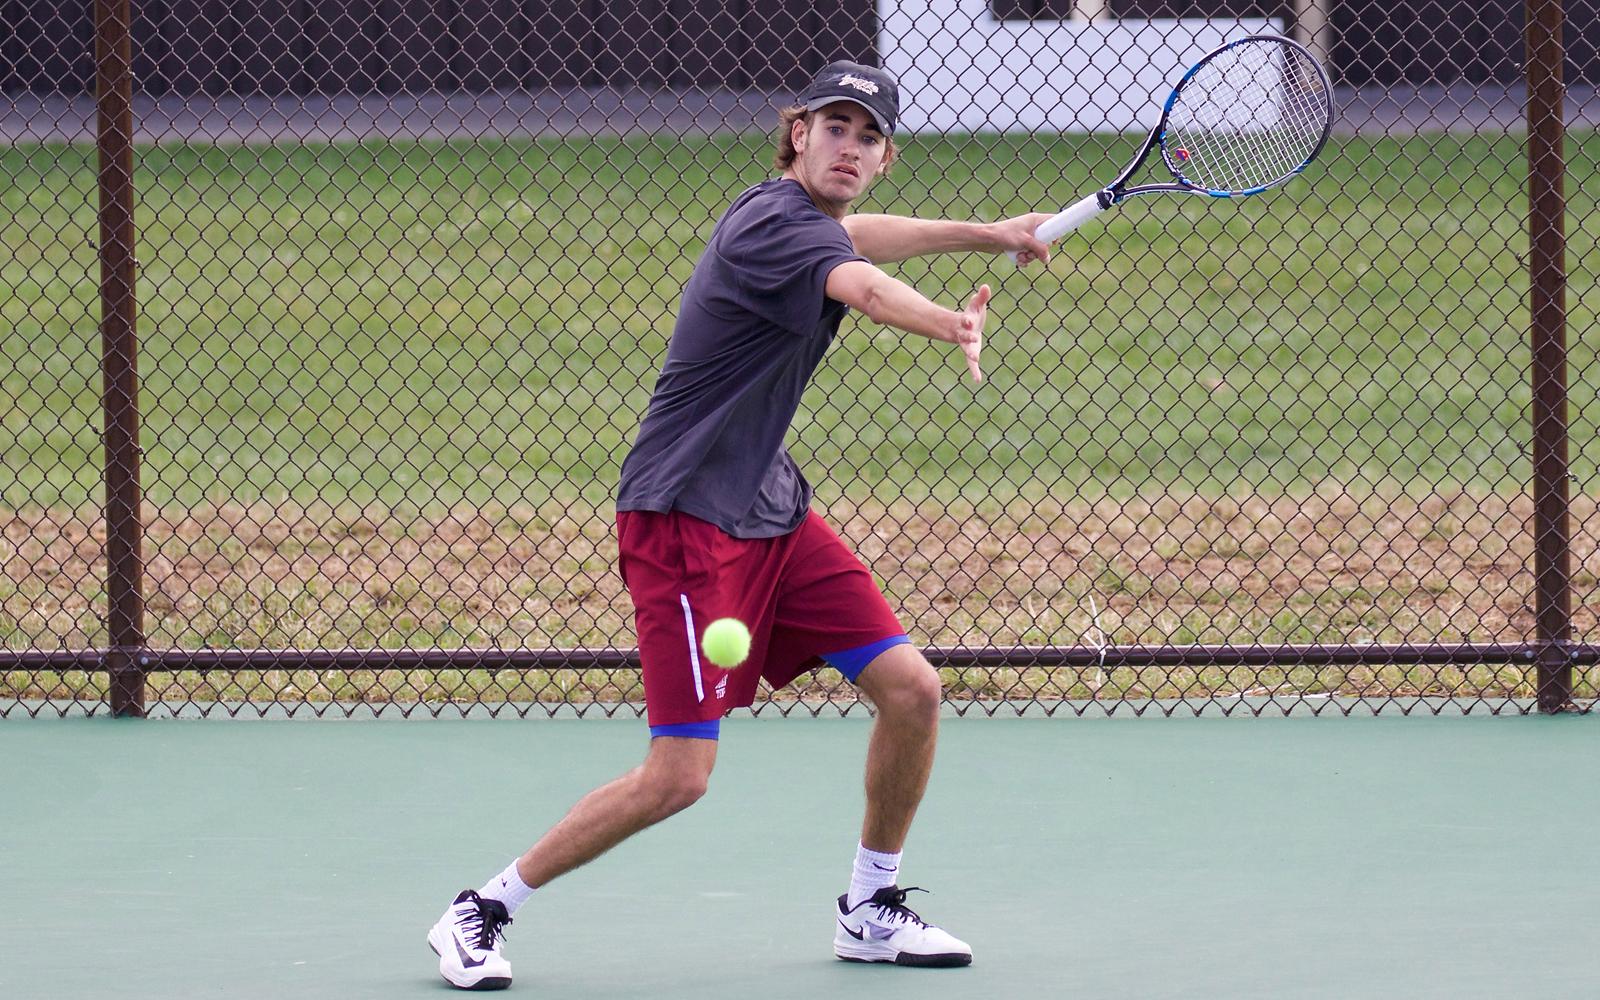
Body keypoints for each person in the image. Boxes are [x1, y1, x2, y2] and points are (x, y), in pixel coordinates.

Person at [427, 59, 1053, 990]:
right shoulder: (771, 224)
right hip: (682, 518)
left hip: (769, 507)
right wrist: (947, 324)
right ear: (799, 134)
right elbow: (867, 284)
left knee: (913, 691)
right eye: (834, 127)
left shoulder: (818, 220)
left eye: (867, 135)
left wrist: (986, 233)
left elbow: (867, 236)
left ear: (883, 156)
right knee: (678, 777)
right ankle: (480, 911)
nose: (849, 145)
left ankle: (872, 909)